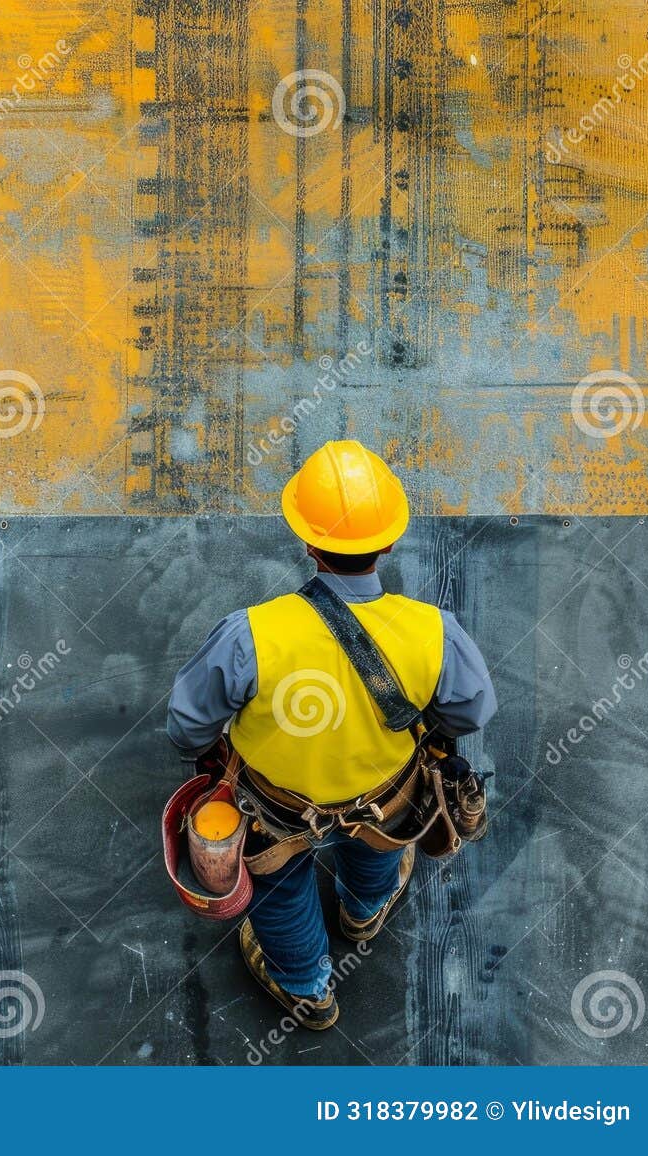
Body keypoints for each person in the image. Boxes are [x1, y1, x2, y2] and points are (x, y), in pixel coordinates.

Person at [166, 440, 496, 1029]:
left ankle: (307, 991)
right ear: (390, 542)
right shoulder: (432, 632)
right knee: (377, 852)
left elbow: (188, 725)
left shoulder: (251, 635)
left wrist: (211, 756)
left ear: (307, 542)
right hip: (386, 796)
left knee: (279, 890)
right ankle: (363, 912)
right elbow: (470, 711)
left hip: (274, 806)